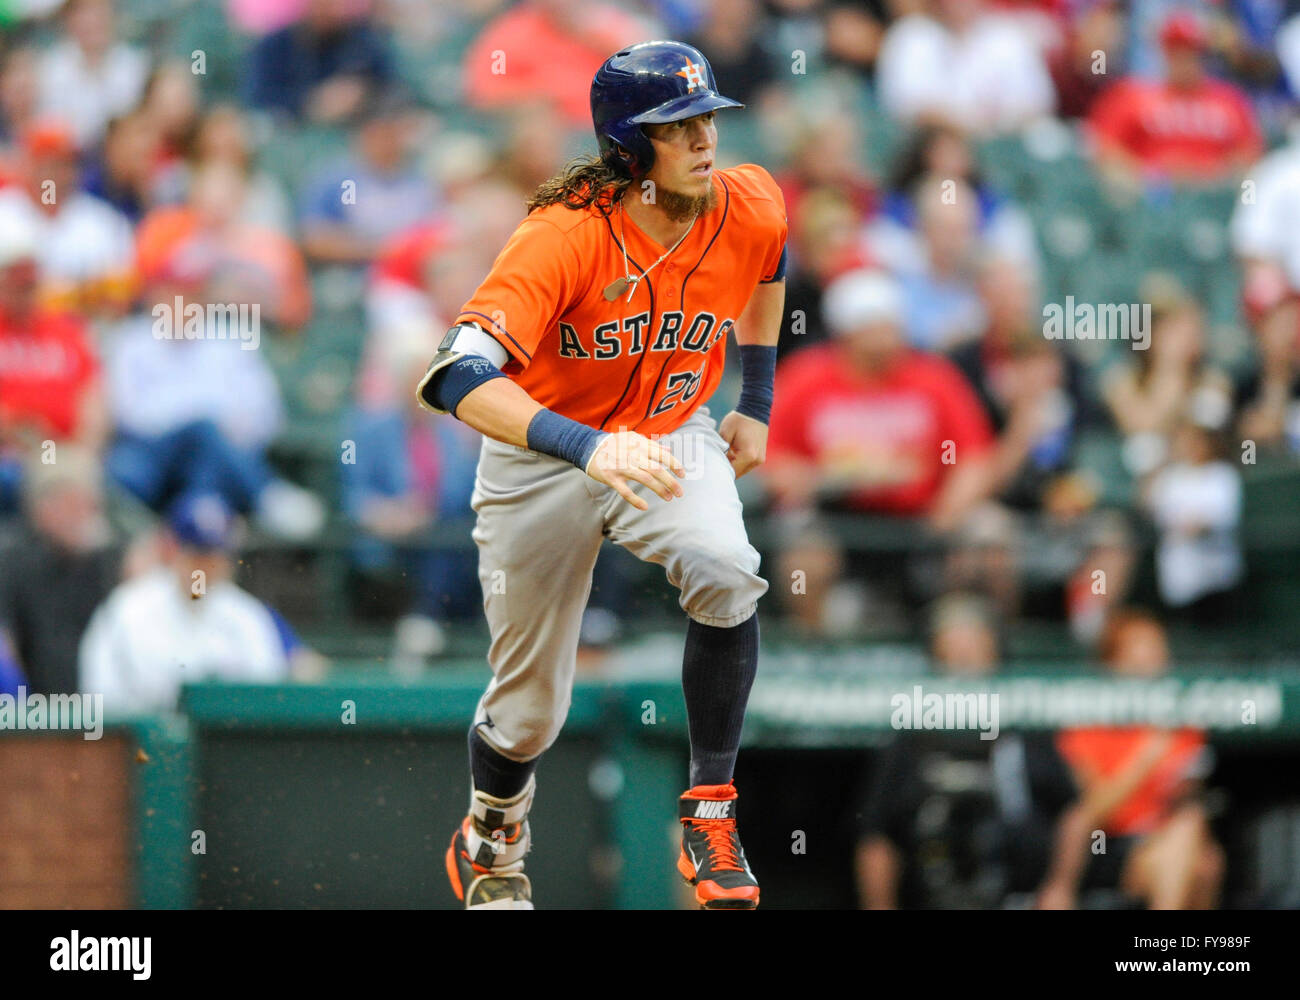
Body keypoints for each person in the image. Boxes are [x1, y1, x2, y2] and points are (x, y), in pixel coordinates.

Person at [415, 41, 786, 909]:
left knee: (728, 568)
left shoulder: (749, 202)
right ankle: (492, 834)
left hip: (667, 430)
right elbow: (452, 376)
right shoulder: (562, 236)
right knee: (530, 712)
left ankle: (710, 812)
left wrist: (757, 398)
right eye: (677, 126)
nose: (703, 138)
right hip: (541, 455)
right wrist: (586, 447)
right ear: (632, 145)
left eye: (707, 118)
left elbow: (770, 264)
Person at [1037, 608, 1224, 909]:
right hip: (1106, 845)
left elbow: (1188, 801)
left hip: (1165, 844)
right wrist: (1148, 755)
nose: (1151, 660)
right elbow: (1095, 810)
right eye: (1139, 651)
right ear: (1113, 663)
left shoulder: (1184, 723)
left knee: (1202, 856)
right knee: (1197, 864)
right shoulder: (1087, 723)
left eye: (1157, 650)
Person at [78, 492, 315, 716]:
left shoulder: (247, 615)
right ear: (173, 551)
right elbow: (100, 696)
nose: (205, 568)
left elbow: (265, 698)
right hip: (142, 751)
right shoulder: (128, 608)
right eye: (197, 556)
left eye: (214, 557)